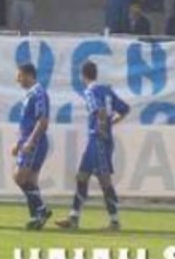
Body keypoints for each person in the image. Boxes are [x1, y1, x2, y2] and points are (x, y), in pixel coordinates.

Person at [55, 61, 130, 231]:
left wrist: (103, 129)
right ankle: (73, 218)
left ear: (83, 76)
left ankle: (115, 221)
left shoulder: (90, 91)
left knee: (105, 181)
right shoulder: (107, 90)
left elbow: (100, 111)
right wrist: (111, 124)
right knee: (82, 176)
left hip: (98, 139)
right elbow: (125, 109)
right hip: (97, 141)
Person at [13, 63, 52, 230]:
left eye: (20, 76)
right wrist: (18, 142)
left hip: (35, 142)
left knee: (19, 177)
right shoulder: (31, 94)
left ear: (29, 75)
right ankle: (36, 216)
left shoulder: (39, 93)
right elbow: (27, 122)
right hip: (28, 141)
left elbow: (43, 120)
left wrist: (30, 141)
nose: (17, 79)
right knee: (30, 180)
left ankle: (41, 210)